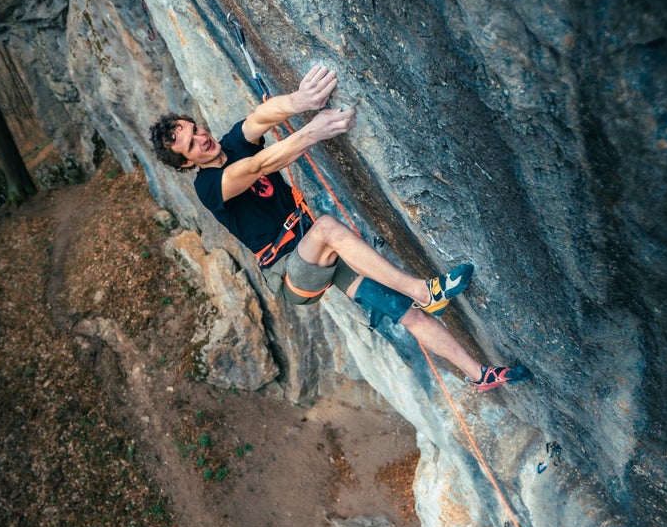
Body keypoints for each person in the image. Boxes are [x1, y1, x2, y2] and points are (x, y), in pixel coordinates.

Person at [149, 65, 531, 390]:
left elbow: (261, 117)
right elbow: (256, 168)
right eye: (191, 145)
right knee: (329, 228)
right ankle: (425, 290)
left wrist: (300, 101)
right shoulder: (208, 187)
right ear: (186, 165)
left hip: (319, 255)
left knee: (405, 312)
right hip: (289, 272)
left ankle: (479, 374)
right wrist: (312, 132)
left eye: (195, 129)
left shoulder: (230, 143)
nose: (202, 138)